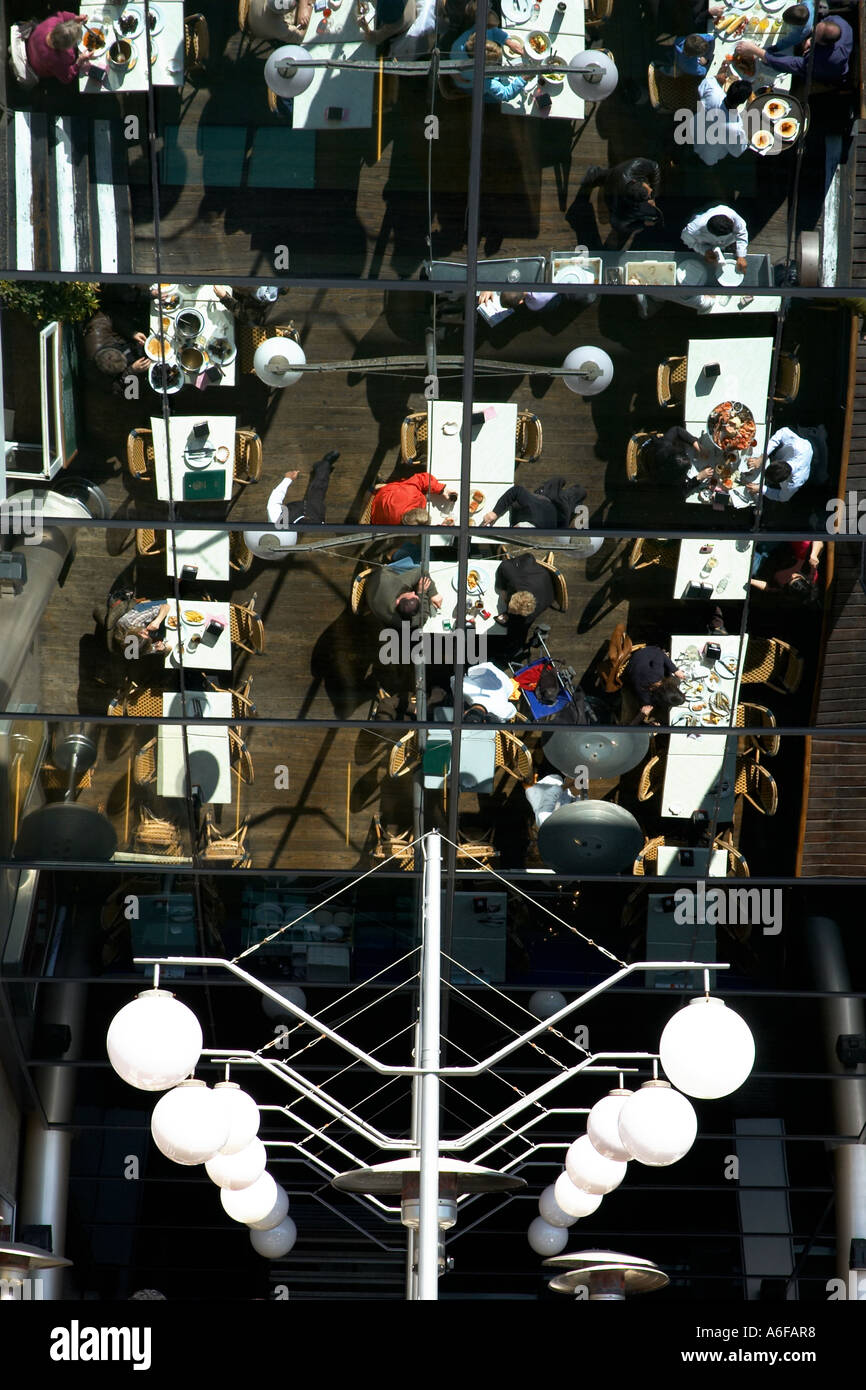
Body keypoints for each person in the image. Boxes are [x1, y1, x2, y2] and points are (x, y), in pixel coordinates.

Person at [244, 453, 340, 557]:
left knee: (318, 490)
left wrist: (288, 479)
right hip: (314, 515)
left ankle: (323, 466)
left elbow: (275, 498)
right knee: (319, 488)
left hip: (295, 508)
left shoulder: (275, 517)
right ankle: (324, 465)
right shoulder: (292, 541)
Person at [735, 15, 853, 84]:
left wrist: (755, 50)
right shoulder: (839, 22)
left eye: (815, 35)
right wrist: (812, 39)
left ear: (822, 43)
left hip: (829, 72)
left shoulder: (819, 59)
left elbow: (790, 64)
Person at [583, 159, 663, 247]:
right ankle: (595, 175)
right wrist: (641, 224)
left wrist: (653, 195)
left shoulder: (635, 167)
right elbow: (617, 225)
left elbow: (655, 166)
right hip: (612, 185)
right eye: (649, 192)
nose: (651, 189)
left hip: (615, 179)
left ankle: (594, 174)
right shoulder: (619, 203)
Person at [449, 25, 527, 103]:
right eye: (495, 62)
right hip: (469, 85)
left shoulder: (476, 37)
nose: (498, 62)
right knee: (495, 100)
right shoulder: (480, 76)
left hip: (461, 72)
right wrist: (523, 78)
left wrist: (509, 42)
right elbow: (505, 94)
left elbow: (492, 30)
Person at [481, 477, 588, 529]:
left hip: (550, 517)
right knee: (570, 498)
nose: (514, 528)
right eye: (517, 527)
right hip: (546, 504)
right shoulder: (529, 508)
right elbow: (517, 490)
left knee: (572, 499)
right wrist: (495, 513)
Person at [82, 312, 149, 394]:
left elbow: (111, 318)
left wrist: (132, 333)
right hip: (131, 364)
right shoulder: (95, 375)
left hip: (127, 337)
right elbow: (114, 388)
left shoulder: (98, 328)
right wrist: (131, 370)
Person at [692, 75, 751, 166]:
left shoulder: (713, 92)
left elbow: (705, 83)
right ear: (743, 102)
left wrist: (717, 78)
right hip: (709, 156)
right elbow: (738, 152)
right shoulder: (736, 128)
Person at [743, 427, 812, 502]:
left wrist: (762, 489)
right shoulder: (798, 447)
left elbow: (783, 497)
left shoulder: (793, 483)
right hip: (800, 449)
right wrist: (762, 458)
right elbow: (783, 432)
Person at [364, 566, 442, 627]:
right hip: (377, 586)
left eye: (413, 595)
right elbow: (422, 619)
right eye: (414, 594)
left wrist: (426, 593)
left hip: (380, 579)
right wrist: (423, 593)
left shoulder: (397, 584)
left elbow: (421, 571)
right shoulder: (399, 622)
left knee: (416, 566)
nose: (413, 592)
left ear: (397, 601)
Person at [624, 646, 686, 720]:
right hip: (637, 660)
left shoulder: (656, 675)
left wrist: (675, 670)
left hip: (636, 665)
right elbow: (658, 652)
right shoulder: (656, 676)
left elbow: (659, 653)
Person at [369, 474, 457, 525]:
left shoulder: (409, 493)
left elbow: (421, 479)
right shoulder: (400, 527)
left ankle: (379, 485)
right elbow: (425, 532)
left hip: (382, 496)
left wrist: (442, 489)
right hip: (379, 510)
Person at [26, 12, 89, 84]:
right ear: (66, 48)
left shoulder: (52, 22)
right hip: (39, 67)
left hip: (33, 47)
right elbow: (67, 77)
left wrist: (75, 18)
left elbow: (62, 16)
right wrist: (79, 62)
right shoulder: (57, 60)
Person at [681, 205, 749, 271]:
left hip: (727, 241)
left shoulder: (737, 220)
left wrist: (741, 256)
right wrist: (704, 250)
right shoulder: (695, 226)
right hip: (704, 240)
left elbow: (742, 234)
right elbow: (687, 239)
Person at [750, 539, 823, 594]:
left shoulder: (784, 587)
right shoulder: (810, 571)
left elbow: (768, 587)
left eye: (790, 581)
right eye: (796, 577)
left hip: (761, 566)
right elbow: (819, 541)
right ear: (805, 580)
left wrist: (749, 581)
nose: (792, 575)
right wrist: (814, 554)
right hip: (775, 548)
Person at [247, 0, 313, 42]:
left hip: (254, 16)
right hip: (262, 30)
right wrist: (308, 8)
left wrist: (303, 6)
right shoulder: (279, 28)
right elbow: (301, 36)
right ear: (286, 12)